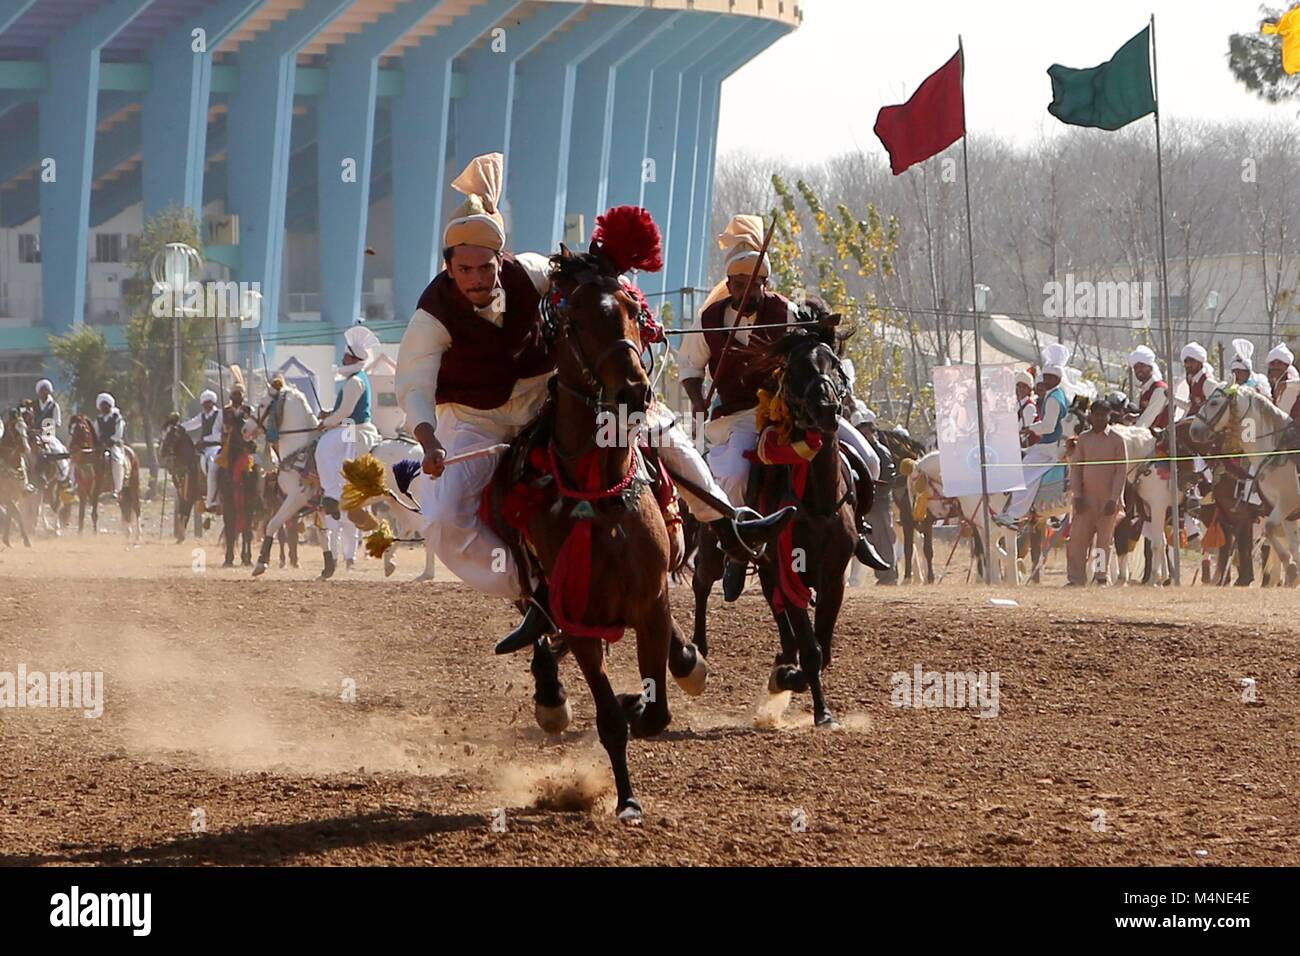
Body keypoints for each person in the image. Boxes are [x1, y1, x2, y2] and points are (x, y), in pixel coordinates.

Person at [397, 157, 790, 651]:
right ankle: (534, 592)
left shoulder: (532, 271)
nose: (476, 278)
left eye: (484, 267)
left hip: (549, 398)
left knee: (658, 430)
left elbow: (593, 284)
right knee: (443, 517)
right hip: (477, 423)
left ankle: (728, 523)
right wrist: (429, 441)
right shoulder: (431, 316)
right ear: (448, 266)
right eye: (464, 269)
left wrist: (636, 316)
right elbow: (414, 383)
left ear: (502, 259)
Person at [678, 214, 887, 598]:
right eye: (739, 285)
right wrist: (696, 400)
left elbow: (810, 356)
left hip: (792, 408)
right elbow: (689, 368)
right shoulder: (708, 320)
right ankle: (739, 548)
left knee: (869, 459)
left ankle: (855, 532)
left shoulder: (785, 312)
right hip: (739, 416)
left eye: (753, 285)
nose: (747, 292)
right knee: (737, 477)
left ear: (765, 283)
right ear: (730, 284)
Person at [315, 324, 383, 579]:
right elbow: (340, 411)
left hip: (356, 430)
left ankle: (333, 493)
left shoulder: (355, 382)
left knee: (324, 447)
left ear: (353, 358)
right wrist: (328, 415)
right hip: (351, 428)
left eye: (345, 356)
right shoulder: (354, 380)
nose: (342, 359)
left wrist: (326, 422)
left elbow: (344, 414)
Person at [995, 352, 1070, 529]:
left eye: (1052, 377)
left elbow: (1049, 427)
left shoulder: (1053, 399)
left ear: (1058, 379)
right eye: (1047, 376)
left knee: (1023, 475)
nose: (1049, 380)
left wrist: (1030, 428)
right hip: (1049, 444)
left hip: (1050, 447)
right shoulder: (1057, 395)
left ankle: (1016, 515)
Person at [1065, 400, 1127, 586]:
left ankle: (1100, 577)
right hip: (1085, 499)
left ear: (1109, 416)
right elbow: (1076, 469)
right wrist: (1077, 495)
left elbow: (1121, 471)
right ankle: (1076, 579)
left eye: (1103, 415)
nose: (1099, 418)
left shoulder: (1117, 439)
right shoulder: (1083, 439)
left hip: (1108, 500)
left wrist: (1114, 498)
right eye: (1096, 414)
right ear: (1090, 416)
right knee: (1077, 541)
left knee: (1103, 542)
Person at [180, 389, 222, 511]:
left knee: (213, 467)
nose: (206, 406)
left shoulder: (220, 414)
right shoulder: (202, 416)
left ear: (213, 403)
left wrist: (206, 439)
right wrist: (178, 427)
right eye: (204, 403)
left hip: (217, 448)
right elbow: (191, 424)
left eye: (209, 403)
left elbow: (222, 433)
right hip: (205, 450)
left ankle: (211, 501)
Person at [94, 392, 126, 499]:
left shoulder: (117, 417)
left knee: (116, 461)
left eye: (106, 405)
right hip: (101, 445)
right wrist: (98, 442)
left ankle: (117, 488)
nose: (104, 407)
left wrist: (109, 442)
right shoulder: (98, 419)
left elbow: (118, 433)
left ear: (110, 405)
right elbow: (96, 433)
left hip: (114, 445)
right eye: (102, 405)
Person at [1130, 346, 1169, 430]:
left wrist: (1130, 432)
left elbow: (1146, 421)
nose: (1138, 370)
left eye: (1142, 366)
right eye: (1136, 367)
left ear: (1150, 367)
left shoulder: (1159, 389)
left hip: (1160, 439)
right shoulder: (1146, 388)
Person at [1179, 342, 1218, 416]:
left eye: (1192, 361)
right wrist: (1172, 398)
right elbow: (1191, 406)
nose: (1188, 365)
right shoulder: (1191, 380)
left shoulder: (1208, 382)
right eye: (1186, 361)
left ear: (1200, 362)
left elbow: (1214, 409)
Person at [1266, 342, 1300, 418]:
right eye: (1272, 363)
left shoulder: (1288, 382)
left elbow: (1282, 414)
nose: (1275, 366)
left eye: (1279, 363)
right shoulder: (1278, 381)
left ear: (1286, 365)